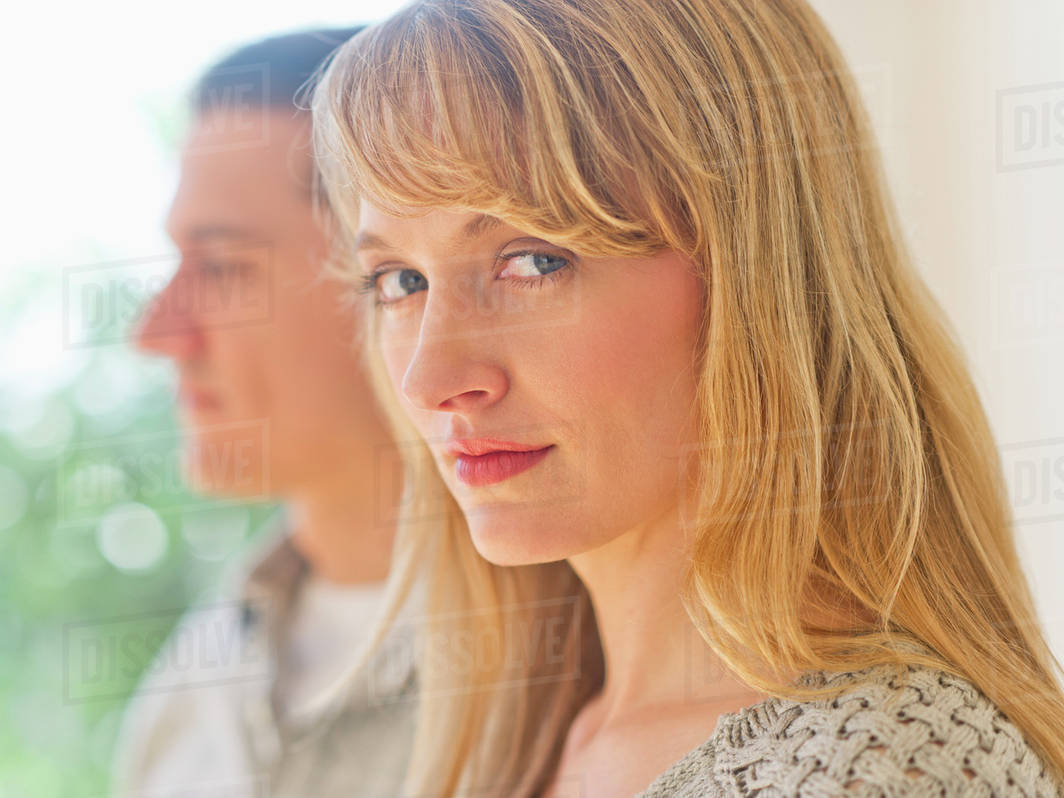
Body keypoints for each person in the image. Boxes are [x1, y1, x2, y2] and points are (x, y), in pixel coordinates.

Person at [306, 1, 1064, 796]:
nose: (429, 380)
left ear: (755, 273)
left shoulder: (883, 769)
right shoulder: (510, 749)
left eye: (534, 261)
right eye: (401, 281)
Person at [110, 28, 416, 798]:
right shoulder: (190, 686)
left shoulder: (573, 676)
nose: (156, 335)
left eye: (221, 268)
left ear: (396, 275)